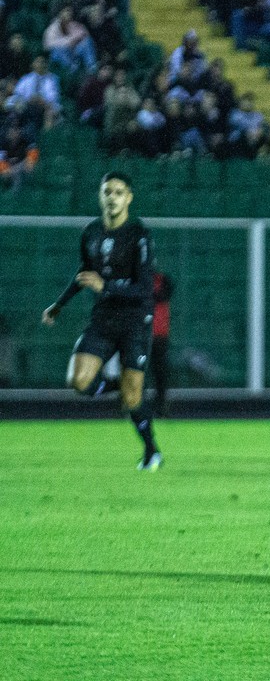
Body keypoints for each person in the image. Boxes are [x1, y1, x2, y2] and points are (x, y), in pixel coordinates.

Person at [41, 172, 161, 471]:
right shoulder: (91, 232)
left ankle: (151, 450)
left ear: (129, 198)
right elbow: (85, 273)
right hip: (104, 319)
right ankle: (121, 384)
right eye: (107, 192)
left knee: (132, 400)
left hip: (135, 321)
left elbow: (145, 289)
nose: (112, 198)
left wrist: (105, 286)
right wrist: (60, 304)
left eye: (119, 192)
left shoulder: (139, 236)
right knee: (79, 381)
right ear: (100, 195)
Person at [149, 272, 174, 418]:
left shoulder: (163, 280)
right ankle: (133, 405)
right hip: (141, 334)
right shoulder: (136, 280)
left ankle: (161, 406)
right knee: (136, 372)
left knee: (160, 373)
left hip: (159, 335)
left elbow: (163, 295)